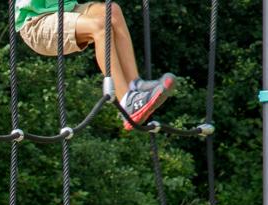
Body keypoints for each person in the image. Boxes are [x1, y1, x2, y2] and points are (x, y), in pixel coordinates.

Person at [15, 0, 176, 130]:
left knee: (112, 11)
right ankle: (126, 101)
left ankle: (134, 85)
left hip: (66, 9)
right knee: (99, 27)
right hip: (36, 21)